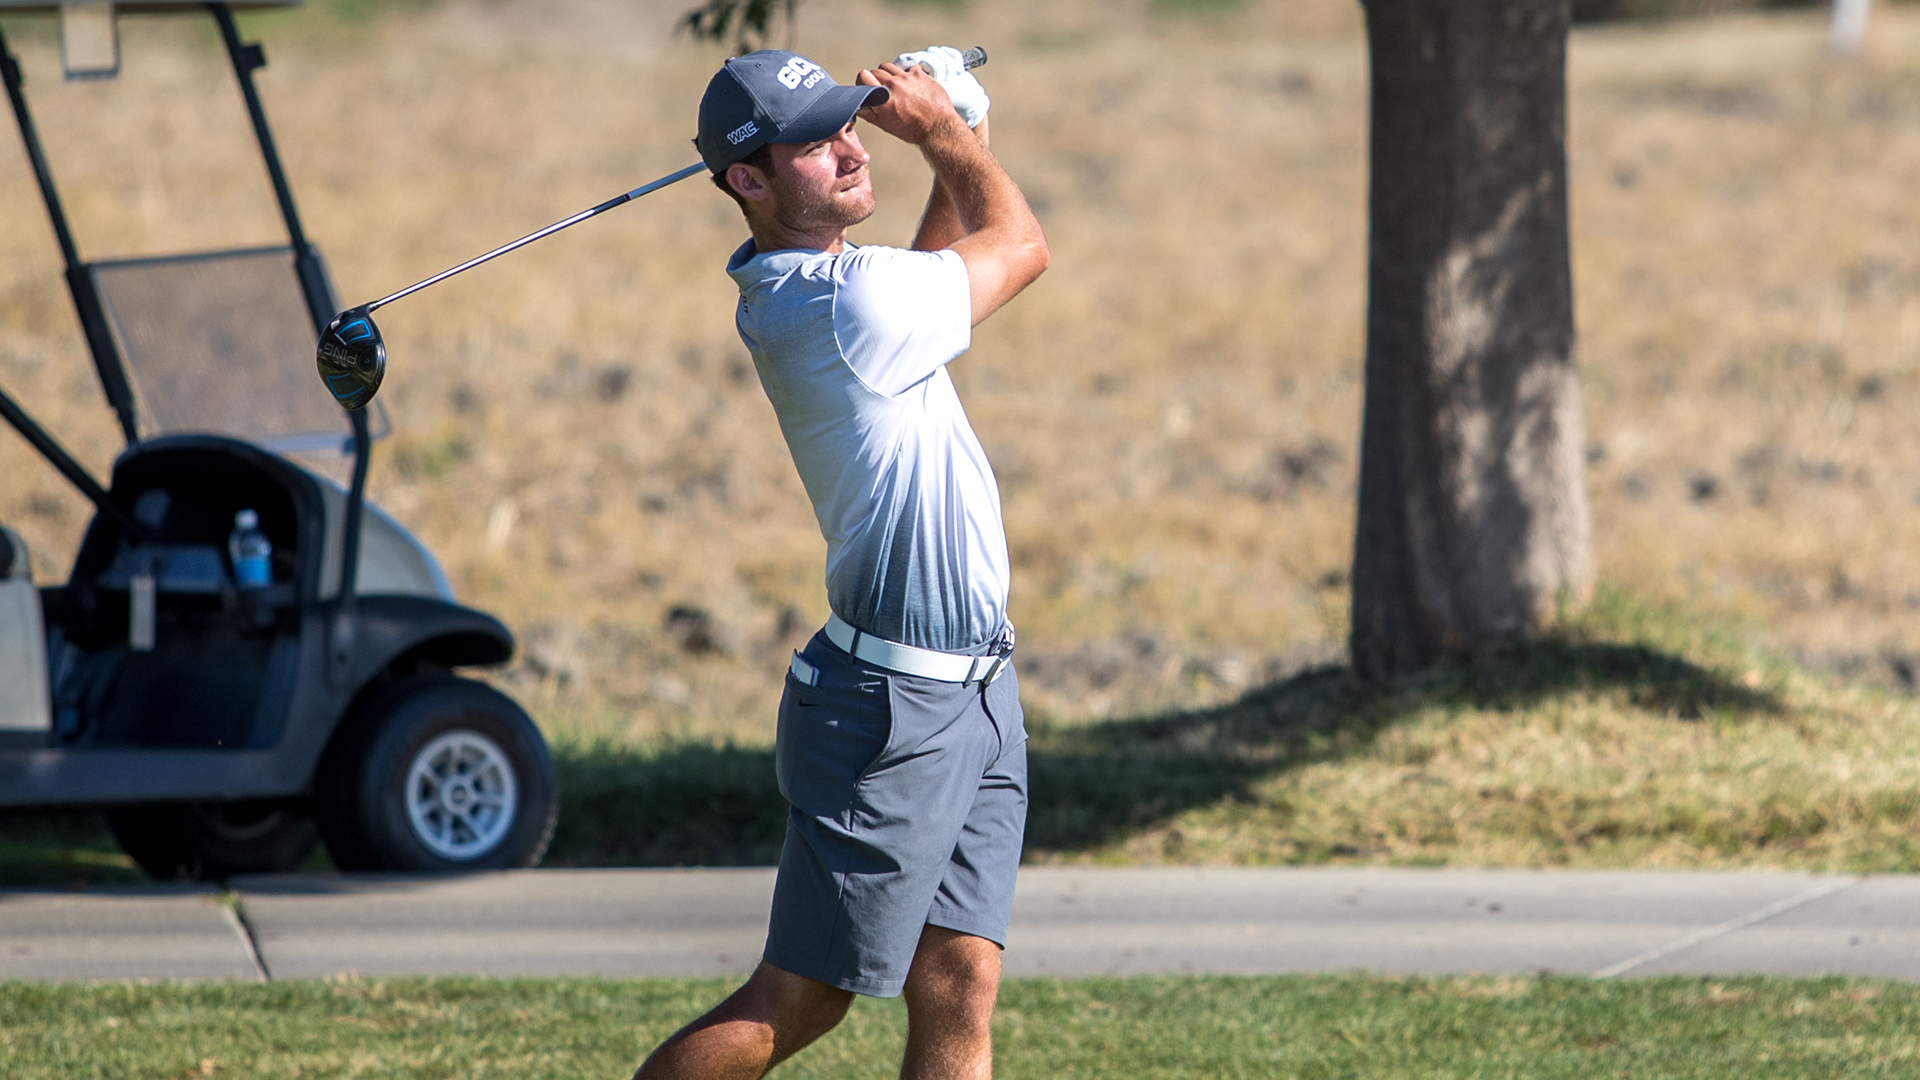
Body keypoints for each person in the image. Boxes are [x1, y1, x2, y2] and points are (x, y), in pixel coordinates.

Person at [632, 45, 1048, 1080]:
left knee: (959, 978)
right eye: (814, 142)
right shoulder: (836, 304)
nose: (852, 148)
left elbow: (938, 267)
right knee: (803, 999)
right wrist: (949, 137)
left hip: (976, 689)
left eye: (849, 124)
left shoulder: (836, 289)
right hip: (891, 709)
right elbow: (1022, 247)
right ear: (748, 179)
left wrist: (967, 136)